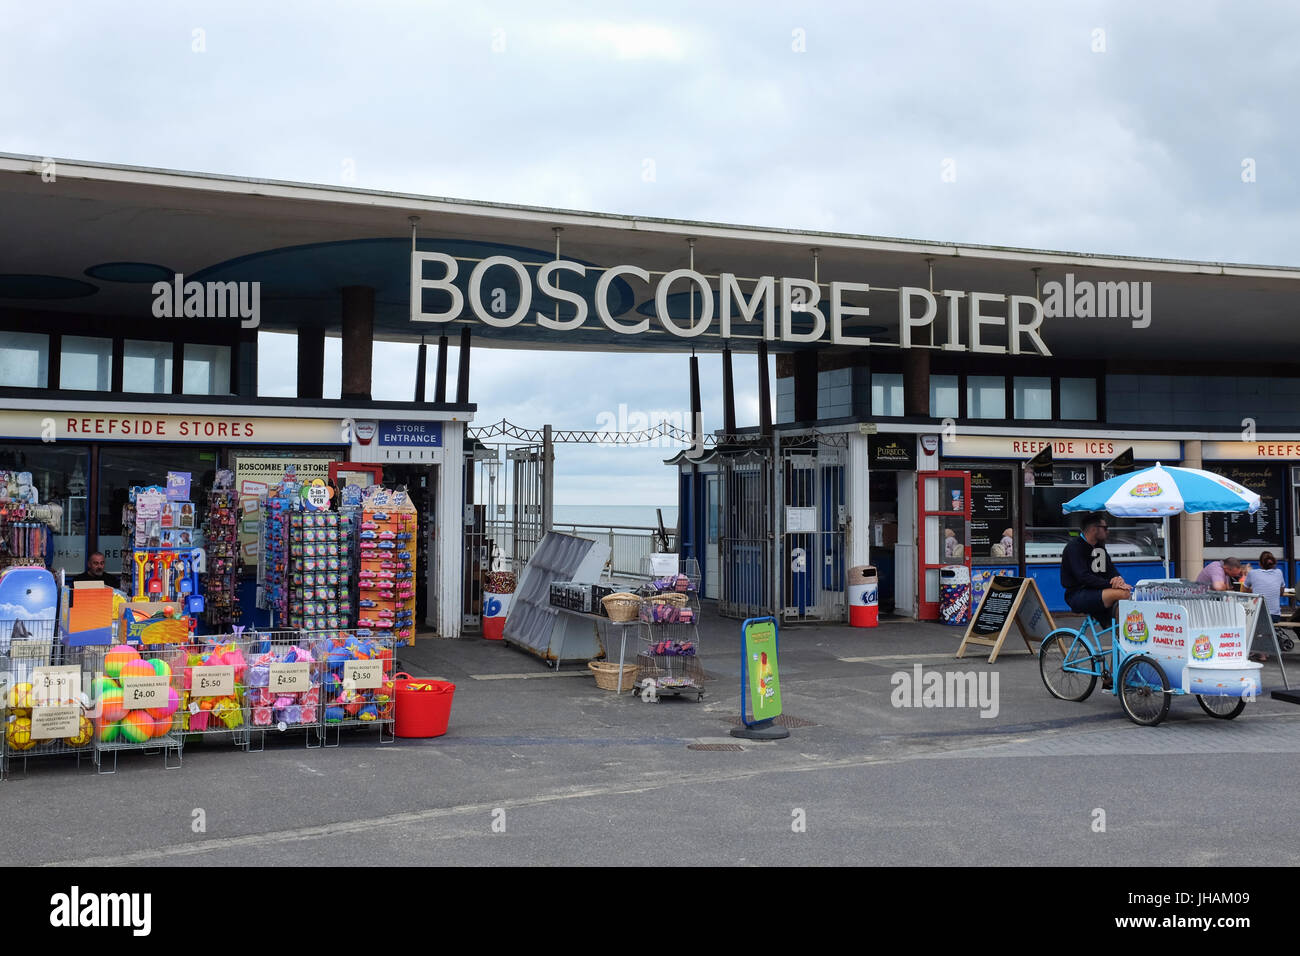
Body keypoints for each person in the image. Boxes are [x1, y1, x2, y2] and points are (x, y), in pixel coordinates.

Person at [1060, 514, 1131, 625]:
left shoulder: (1099, 547)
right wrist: (1111, 584)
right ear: (1094, 529)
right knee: (1124, 594)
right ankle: (1122, 636)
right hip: (1078, 594)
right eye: (1105, 528)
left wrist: (1118, 579)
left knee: (1126, 595)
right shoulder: (1074, 547)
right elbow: (1083, 577)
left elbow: (1110, 569)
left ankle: (1119, 635)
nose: (1107, 532)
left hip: (1096, 591)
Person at [1245, 551, 1285, 663]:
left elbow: (1246, 590)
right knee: (1264, 623)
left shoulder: (1253, 573)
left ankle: (1261, 653)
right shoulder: (1279, 572)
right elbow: (1281, 592)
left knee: (1254, 620)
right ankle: (1260, 650)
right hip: (1275, 615)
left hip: (1259, 613)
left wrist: (1247, 573)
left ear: (1260, 564)